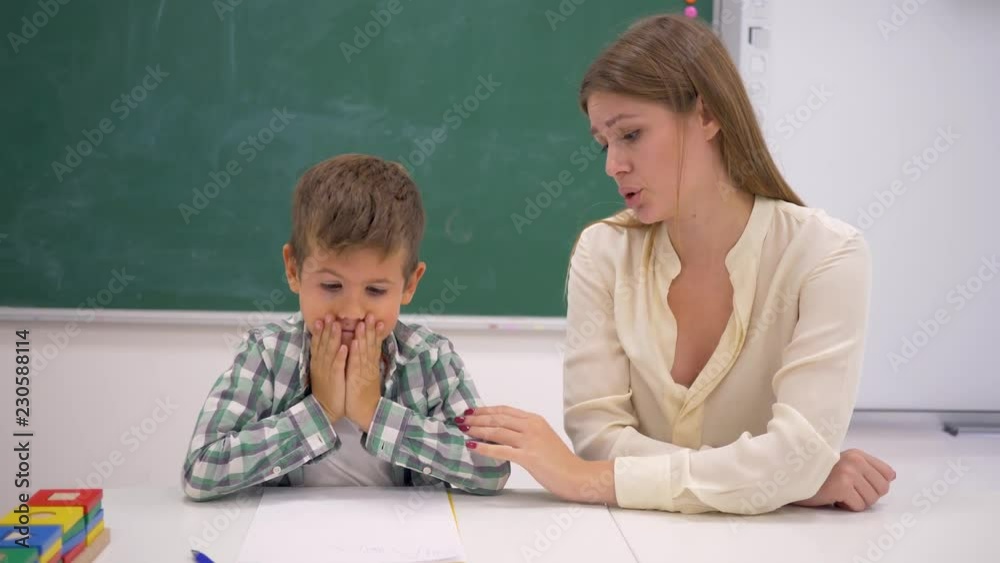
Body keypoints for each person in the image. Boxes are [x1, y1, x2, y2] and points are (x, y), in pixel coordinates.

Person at [458, 13, 895, 514]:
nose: (612, 165)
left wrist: (786, 474)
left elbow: (794, 458)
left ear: (707, 115)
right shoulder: (602, 253)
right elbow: (598, 440)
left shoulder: (827, 256)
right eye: (603, 143)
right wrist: (777, 481)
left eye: (631, 134)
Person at [181, 154, 510, 500]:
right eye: (331, 287)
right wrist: (319, 411)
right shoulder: (268, 355)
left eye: (376, 290)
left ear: (410, 284)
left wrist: (374, 413)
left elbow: (490, 470)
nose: (351, 312)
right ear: (293, 269)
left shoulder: (429, 359)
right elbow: (200, 471)